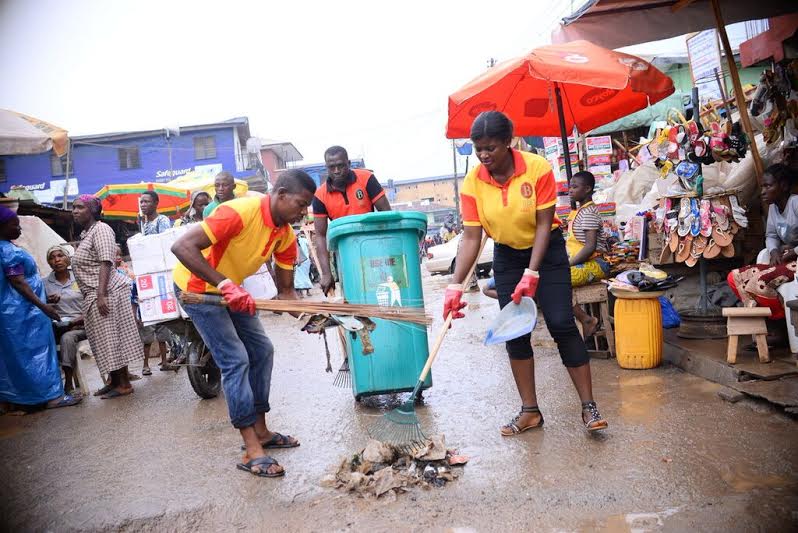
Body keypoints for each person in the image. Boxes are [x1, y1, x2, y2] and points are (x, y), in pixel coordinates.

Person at [443, 111, 608, 435]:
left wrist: (533, 272)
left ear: (509, 141)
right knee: (514, 331)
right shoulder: (474, 182)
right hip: (507, 255)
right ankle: (530, 411)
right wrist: (454, 286)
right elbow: (473, 237)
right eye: (479, 149)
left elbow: (545, 223)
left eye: (491, 147)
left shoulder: (537, 168)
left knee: (561, 322)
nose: (484, 155)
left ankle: (589, 407)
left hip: (547, 250)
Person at [171, 169, 316, 479]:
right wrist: (225, 285)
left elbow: (287, 294)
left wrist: (314, 315)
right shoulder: (237, 213)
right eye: (301, 204)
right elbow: (182, 247)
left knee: (262, 351)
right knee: (236, 360)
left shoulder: (285, 235)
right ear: (280, 195)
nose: (304, 212)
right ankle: (252, 450)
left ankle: (261, 432)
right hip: (197, 289)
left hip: (230, 290)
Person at [0, 206, 81, 409]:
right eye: (14, 225)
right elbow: (18, 282)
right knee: (38, 355)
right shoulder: (7, 251)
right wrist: (43, 306)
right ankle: (53, 396)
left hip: (15, 313)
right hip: (25, 315)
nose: (19, 229)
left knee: (17, 357)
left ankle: (19, 400)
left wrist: (44, 298)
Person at [71, 195, 142, 399]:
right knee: (103, 340)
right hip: (95, 293)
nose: (74, 211)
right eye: (73, 208)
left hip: (106, 293)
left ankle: (124, 384)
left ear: (92, 210)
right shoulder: (87, 233)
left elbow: (106, 261)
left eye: (79, 207)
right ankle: (113, 380)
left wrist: (101, 295)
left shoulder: (101, 229)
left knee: (112, 339)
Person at [312, 146, 391, 295]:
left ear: (348, 163)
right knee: (353, 296)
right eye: (331, 167)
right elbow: (320, 236)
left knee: (380, 292)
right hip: (344, 253)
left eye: (340, 165)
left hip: (373, 248)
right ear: (326, 168)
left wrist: (389, 252)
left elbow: (386, 215)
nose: (336, 171)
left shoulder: (366, 179)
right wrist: (326, 274)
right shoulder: (320, 195)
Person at [728, 164, 798, 326]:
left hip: (795, 261)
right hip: (786, 261)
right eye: (762, 187)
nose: (763, 191)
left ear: (784, 186)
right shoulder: (773, 208)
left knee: (757, 282)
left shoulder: (795, 204)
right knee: (735, 277)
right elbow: (771, 235)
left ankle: (779, 326)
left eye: (768, 186)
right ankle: (759, 326)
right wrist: (773, 251)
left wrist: (794, 250)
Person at [567, 171, 610, 338]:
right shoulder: (580, 212)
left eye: (575, 187)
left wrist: (568, 264)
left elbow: (590, 247)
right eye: (570, 187)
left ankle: (586, 320)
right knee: (552, 280)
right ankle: (584, 320)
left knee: (556, 281)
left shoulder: (589, 213)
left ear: (587, 189)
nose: (570, 190)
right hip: (584, 264)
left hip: (597, 265)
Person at [137, 190, 176, 375]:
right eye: (141, 202)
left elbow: (162, 245)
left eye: (146, 201)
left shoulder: (162, 221)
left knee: (164, 320)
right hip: (149, 270)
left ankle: (166, 356)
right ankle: (149, 363)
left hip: (160, 270)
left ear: (156, 203)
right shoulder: (143, 223)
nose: (143, 205)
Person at [43, 245, 88, 394]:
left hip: (83, 324)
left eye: (60, 256)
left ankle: (68, 383)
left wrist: (73, 323)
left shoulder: (80, 276)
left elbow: (91, 306)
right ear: (49, 263)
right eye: (52, 257)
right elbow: (41, 307)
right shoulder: (44, 283)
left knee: (68, 337)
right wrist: (47, 301)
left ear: (68, 259)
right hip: (59, 326)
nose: (57, 260)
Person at [294, 229, 313, 297]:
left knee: (298, 277)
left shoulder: (296, 242)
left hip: (300, 261)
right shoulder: (304, 240)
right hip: (305, 260)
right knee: (305, 275)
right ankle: (307, 291)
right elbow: (310, 249)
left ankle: (301, 293)